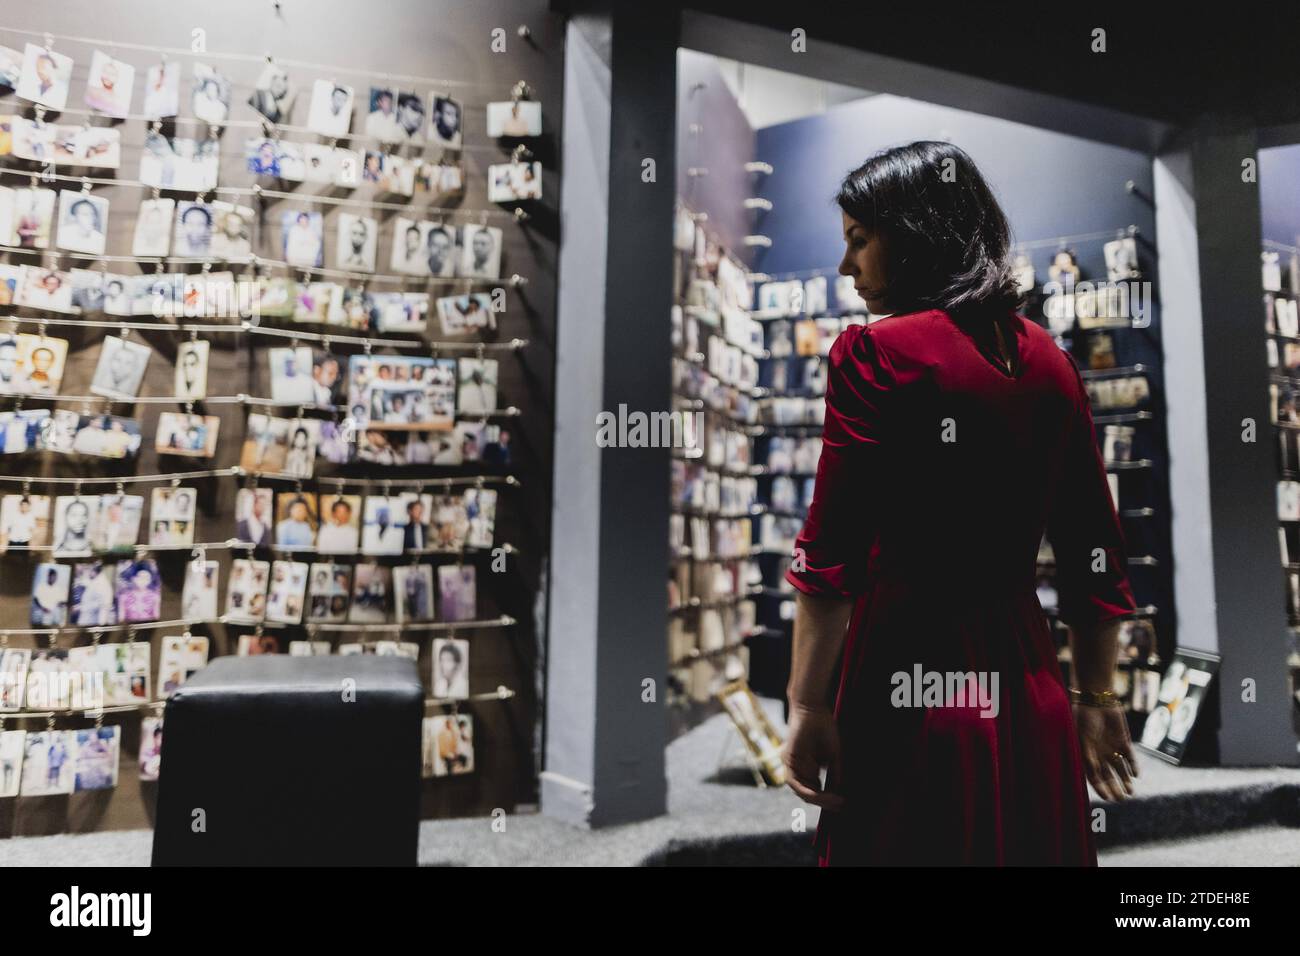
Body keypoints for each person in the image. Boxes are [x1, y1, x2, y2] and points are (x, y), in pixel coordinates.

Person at [780, 142, 1137, 867]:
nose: (847, 266)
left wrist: (808, 705)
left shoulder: (878, 354)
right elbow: (1093, 554)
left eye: (859, 240)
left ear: (912, 234)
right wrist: (1097, 697)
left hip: (908, 676)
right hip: (1027, 680)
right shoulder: (1052, 363)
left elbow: (831, 557)